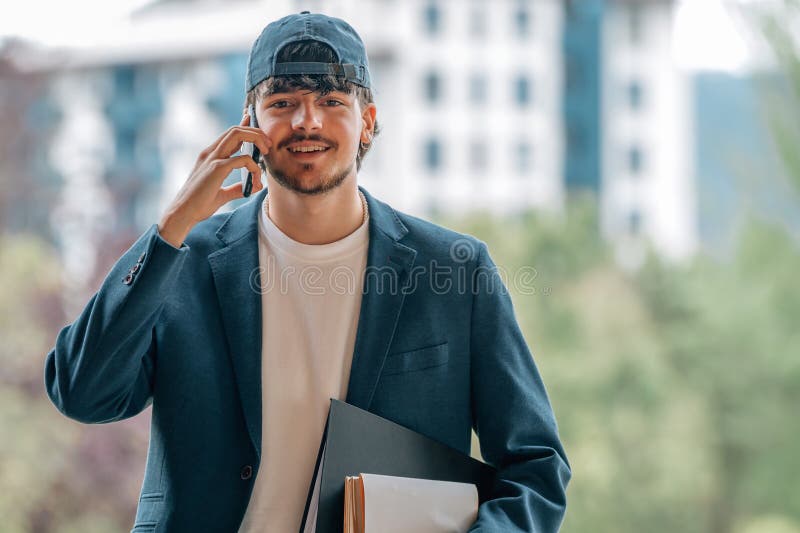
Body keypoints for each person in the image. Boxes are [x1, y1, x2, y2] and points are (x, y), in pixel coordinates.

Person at [44, 11, 570, 533]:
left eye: (331, 101)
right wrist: (171, 226)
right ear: (250, 121)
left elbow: (536, 465)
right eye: (282, 103)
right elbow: (83, 392)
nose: (306, 121)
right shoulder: (184, 261)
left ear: (366, 120)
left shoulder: (455, 272)